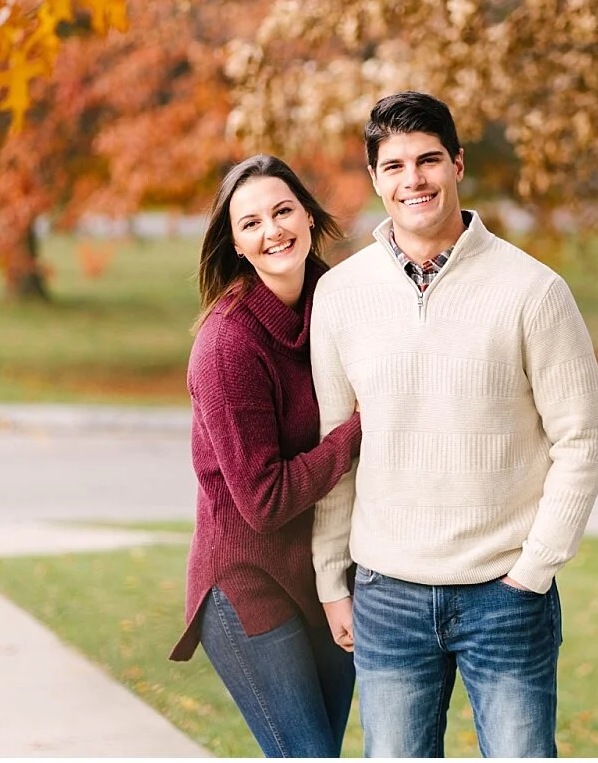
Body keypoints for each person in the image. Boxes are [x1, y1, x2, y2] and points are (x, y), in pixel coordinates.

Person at [309, 91, 598, 758]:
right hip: (387, 595)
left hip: (505, 595)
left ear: (458, 165)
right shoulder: (340, 295)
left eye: (428, 160)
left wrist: (534, 569)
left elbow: (582, 438)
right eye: (394, 166)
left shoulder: (533, 291)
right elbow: (336, 449)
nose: (413, 180)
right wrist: (332, 579)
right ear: (375, 180)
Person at [170, 154, 362, 759]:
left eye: (282, 211)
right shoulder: (227, 343)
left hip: (322, 576)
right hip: (248, 584)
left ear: (307, 216)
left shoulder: (333, 306)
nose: (272, 230)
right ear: (235, 242)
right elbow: (263, 500)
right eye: (251, 223)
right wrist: (361, 432)